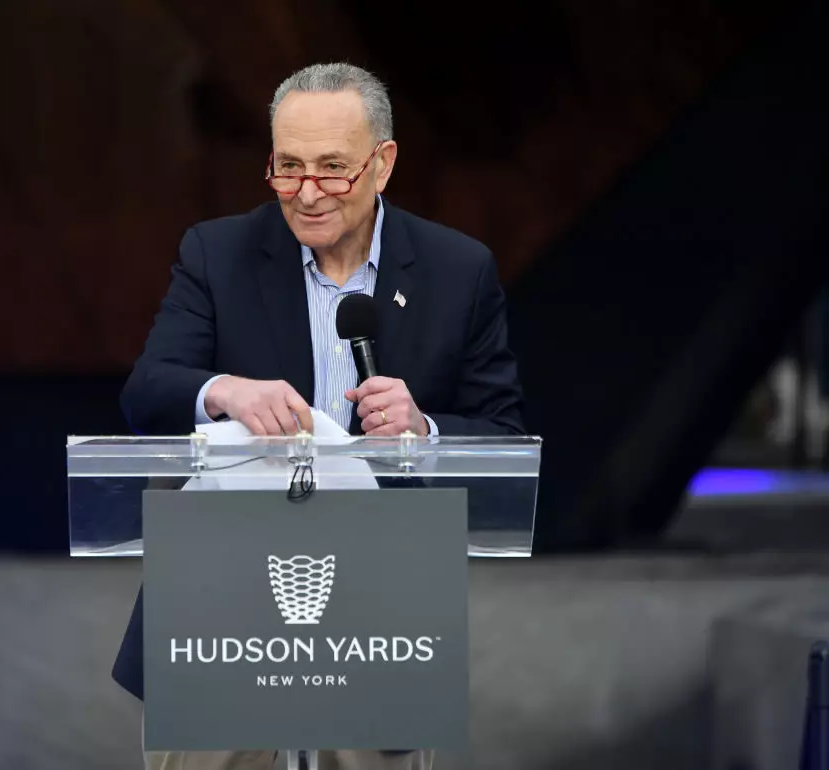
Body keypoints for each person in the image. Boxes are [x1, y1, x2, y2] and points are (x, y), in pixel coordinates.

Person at [113, 62, 525, 770]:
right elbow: (147, 389)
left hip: (381, 608)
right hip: (218, 598)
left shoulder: (459, 270)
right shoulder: (217, 253)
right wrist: (224, 390)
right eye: (287, 167)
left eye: (333, 169)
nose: (306, 193)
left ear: (382, 163)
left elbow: (505, 440)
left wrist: (424, 432)